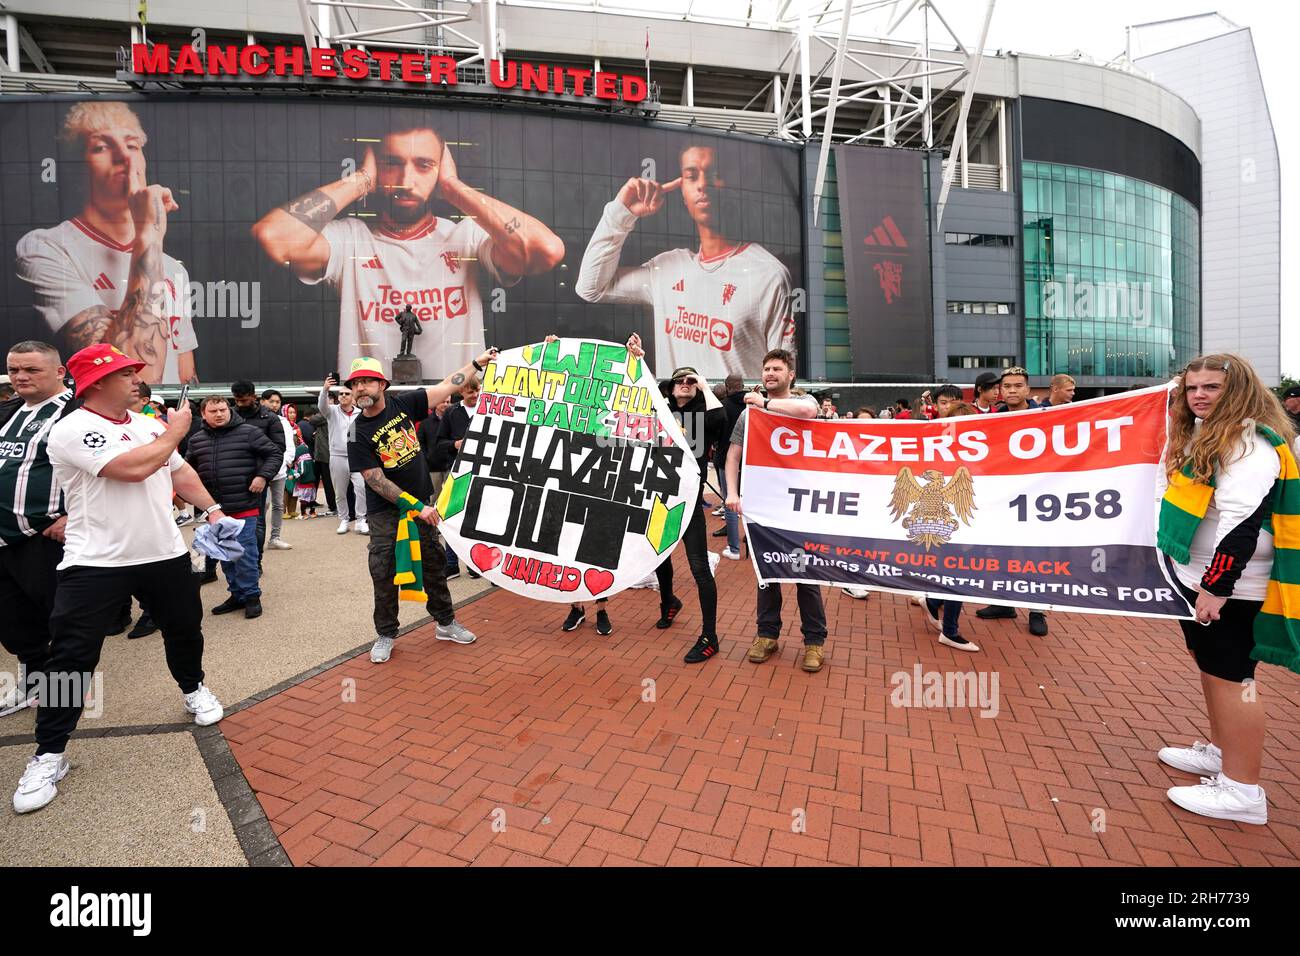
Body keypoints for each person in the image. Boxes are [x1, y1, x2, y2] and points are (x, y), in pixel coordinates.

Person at [15, 344, 226, 814]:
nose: (136, 378)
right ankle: (49, 753)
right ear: (95, 382)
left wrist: (212, 510)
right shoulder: (72, 428)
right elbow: (131, 469)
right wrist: (175, 433)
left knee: (185, 630)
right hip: (94, 560)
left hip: (163, 552)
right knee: (70, 655)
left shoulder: (150, 424)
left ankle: (193, 688)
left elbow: (179, 471)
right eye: (124, 373)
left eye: (134, 371)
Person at [251, 122, 564, 377]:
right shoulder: (351, 239)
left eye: (424, 165)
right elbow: (273, 236)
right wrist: (361, 180)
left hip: (457, 409)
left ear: (440, 171)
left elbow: (546, 251)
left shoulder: (466, 235)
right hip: (374, 408)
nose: (406, 180)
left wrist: (455, 189)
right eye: (391, 164)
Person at [1156, 354, 1299, 824]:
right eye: (1193, 387)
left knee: (1236, 681)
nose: (1199, 395)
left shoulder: (1249, 442)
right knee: (1212, 670)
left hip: (1234, 587)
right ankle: (1221, 753)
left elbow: (1242, 522)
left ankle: (1243, 792)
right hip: (1200, 577)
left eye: (1212, 387)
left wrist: (1216, 587)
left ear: (1236, 390)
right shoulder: (1208, 434)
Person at [576, 144, 796, 379]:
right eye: (691, 176)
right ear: (682, 190)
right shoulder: (668, 268)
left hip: (734, 414)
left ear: (731, 185)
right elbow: (590, 288)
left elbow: (784, 376)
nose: (702, 184)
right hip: (677, 413)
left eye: (713, 174)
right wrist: (621, 213)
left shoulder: (768, 274)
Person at [16, 102, 198, 386]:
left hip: (166, 420)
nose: (124, 157)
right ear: (78, 167)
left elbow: (186, 372)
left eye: (133, 145)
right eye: (101, 147)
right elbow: (137, 375)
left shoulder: (173, 268)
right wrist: (148, 233)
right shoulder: (46, 248)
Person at [346, 351, 496, 664]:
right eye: (355, 383)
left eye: (366, 382)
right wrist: (415, 506)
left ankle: (445, 622)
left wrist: (478, 364)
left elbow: (448, 385)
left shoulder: (405, 403)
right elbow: (374, 480)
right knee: (384, 571)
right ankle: (386, 633)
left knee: (434, 565)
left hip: (423, 506)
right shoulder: (356, 432)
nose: (360, 388)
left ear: (382, 385)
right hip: (386, 513)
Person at [724, 349, 826, 671]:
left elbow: (809, 410)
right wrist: (732, 493)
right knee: (766, 574)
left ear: (790, 375)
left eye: (777, 369)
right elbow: (732, 457)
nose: (770, 373)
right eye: (766, 368)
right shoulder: (748, 415)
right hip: (763, 506)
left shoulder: (798, 402)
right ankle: (766, 635)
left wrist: (764, 404)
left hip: (799, 506)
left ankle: (814, 642)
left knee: (806, 575)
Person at [629, 339, 728, 664]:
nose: (685, 385)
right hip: (660, 498)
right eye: (679, 381)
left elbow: (721, 416)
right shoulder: (663, 413)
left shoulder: (704, 415)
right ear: (670, 388)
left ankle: (709, 636)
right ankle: (669, 602)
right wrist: (639, 359)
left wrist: (703, 384)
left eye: (691, 382)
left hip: (689, 504)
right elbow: (640, 392)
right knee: (659, 556)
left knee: (700, 568)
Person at [0, 342, 74, 718]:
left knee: (63, 624)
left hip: (44, 539)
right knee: (13, 623)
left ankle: (60, 709)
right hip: (3, 540)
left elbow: (106, 474)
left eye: (31, 370)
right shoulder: (8, 410)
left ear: (59, 372)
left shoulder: (78, 412)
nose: (20, 377)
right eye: (14, 370)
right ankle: (34, 685)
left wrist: (72, 516)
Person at [185, 396, 283, 618]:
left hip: (244, 505)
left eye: (222, 409)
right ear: (204, 414)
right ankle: (237, 595)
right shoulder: (196, 439)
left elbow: (274, 453)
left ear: (229, 411)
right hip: (214, 510)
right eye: (213, 411)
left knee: (244, 554)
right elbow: (187, 468)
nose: (219, 414)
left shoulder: (248, 432)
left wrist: (262, 476)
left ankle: (251, 596)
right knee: (225, 554)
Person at [922, 401, 982, 651]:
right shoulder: (951, 458)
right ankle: (949, 630)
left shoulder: (972, 454)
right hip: (952, 528)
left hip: (961, 526)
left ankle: (934, 601)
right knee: (959, 576)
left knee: (958, 575)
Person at [230, 380, 286, 561]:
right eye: (236, 400)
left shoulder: (269, 418)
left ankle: (255, 561)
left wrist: (263, 475)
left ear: (254, 397)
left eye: (244, 400)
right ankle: (210, 567)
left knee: (257, 523)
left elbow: (277, 450)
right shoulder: (229, 415)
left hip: (256, 479)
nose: (240, 404)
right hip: (230, 476)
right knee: (224, 523)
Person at [433, 381, 482, 579]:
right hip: (458, 473)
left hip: (483, 473)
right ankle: (452, 564)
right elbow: (439, 443)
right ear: (460, 392)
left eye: (477, 390)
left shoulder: (488, 409)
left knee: (479, 520)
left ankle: (475, 565)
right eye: (470, 392)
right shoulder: (452, 413)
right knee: (452, 517)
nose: (475, 395)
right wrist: (455, 444)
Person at [317, 377, 367, 534]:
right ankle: (344, 519)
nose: (344, 396)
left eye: (347, 394)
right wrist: (325, 389)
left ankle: (361, 520)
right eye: (341, 394)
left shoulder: (361, 413)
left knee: (361, 489)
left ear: (353, 397)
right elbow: (321, 405)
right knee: (340, 491)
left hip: (356, 457)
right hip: (337, 456)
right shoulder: (331, 411)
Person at [711, 373, 747, 558]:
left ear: (727, 386)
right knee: (751, 503)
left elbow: (715, 434)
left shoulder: (723, 406)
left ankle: (734, 549)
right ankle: (751, 541)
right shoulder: (753, 404)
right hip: (751, 462)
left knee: (730, 502)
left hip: (727, 460)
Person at [257, 389, 296, 550]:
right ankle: (257, 537)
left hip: (279, 469)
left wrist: (286, 461)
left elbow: (289, 444)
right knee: (262, 505)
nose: (274, 405)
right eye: (271, 401)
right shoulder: (255, 420)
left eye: (277, 402)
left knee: (278, 504)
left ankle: (275, 537)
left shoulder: (283, 421)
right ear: (262, 401)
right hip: (260, 470)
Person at [292, 437, 319, 519]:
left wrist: (293, 475)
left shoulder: (302, 461)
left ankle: (303, 513)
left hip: (304, 483)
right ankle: (312, 512)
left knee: (303, 499)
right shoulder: (311, 459)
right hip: (312, 482)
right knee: (311, 498)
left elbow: (302, 471)